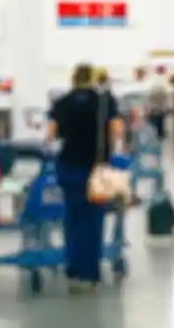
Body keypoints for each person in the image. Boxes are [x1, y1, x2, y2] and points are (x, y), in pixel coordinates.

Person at [48, 64, 124, 294]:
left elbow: (51, 134)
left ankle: (73, 271)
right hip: (97, 167)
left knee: (72, 218)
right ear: (93, 79)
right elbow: (117, 130)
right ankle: (89, 275)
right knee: (93, 220)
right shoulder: (104, 101)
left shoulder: (62, 101)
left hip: (68, 165)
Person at [145, 74, 169, 145]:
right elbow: (166, 102)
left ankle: (156, 139)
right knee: (160, 125)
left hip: (154, 111)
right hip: (160, 112)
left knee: (154, 127)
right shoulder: (164, 91)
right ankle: (160, 137)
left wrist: (149, 111)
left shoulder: (152, 91)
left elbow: (149, 102)